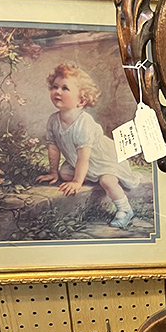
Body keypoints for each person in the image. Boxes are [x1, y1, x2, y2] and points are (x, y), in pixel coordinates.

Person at [37, 63, 140, 229]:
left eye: (65, 88)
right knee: (64, 173)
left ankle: (124, 209)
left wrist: (78, 182)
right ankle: (90, 178)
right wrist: (53, 172)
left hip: (104, 161)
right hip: (81, 162)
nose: (58, 91)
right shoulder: (53, 120)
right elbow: (53, 147)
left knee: (107, 180)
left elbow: (84, 158)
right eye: (55, 87)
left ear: (81, 100)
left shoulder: (84, 123)